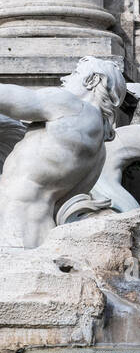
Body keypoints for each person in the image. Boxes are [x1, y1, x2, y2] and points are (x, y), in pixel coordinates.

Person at [0, 57, 126, 247]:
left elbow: (5, 97)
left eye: (75, 73)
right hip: (37, 233)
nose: (65, 79)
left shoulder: (70, 106)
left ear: (91, 80)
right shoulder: (99, 151)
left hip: (14, 232)